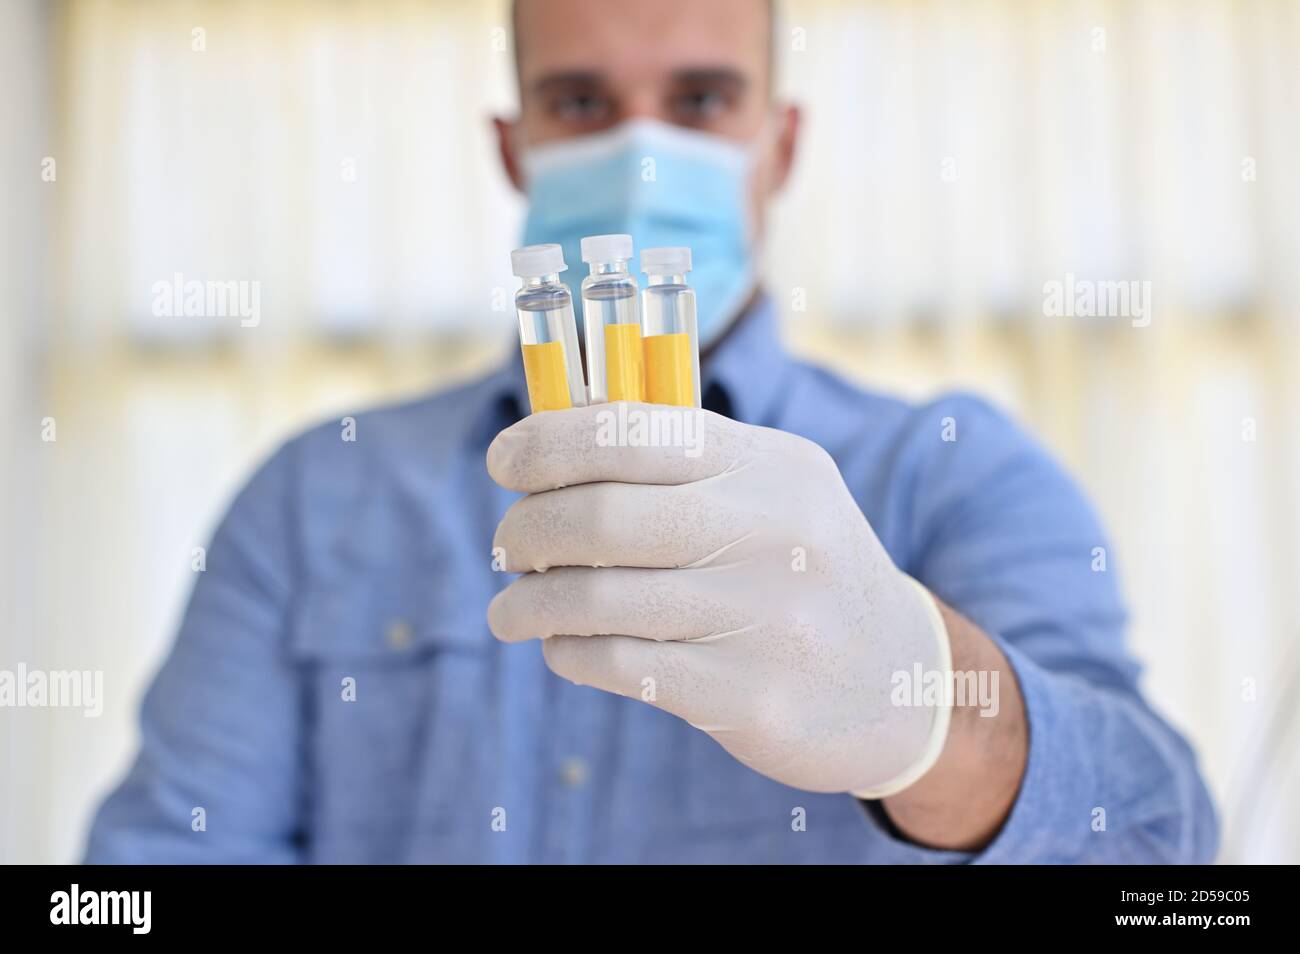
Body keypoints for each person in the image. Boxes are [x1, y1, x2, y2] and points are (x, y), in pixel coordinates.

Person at [85, 0, 1217, 863]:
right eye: (579, 103)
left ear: (778, 145)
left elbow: (1165, 849)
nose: (638, 158)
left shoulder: (952, 475)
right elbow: (151, 867)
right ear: (512, 147)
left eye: (699, 102)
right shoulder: (313, 497)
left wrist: (931, 709)